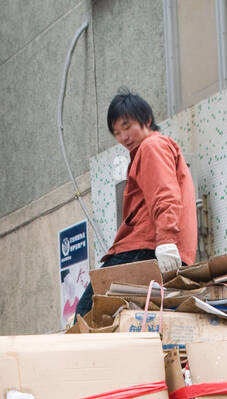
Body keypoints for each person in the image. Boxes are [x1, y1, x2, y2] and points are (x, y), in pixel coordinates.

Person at [74, 90, 197, 320]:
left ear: (146, 120)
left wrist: (166, 240)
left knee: (87, 311)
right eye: (117, 132)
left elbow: (165, 194)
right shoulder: (154, 148)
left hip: (144, 248)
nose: (123, 137)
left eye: (127, 126)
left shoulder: (151, 146)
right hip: (156, 248)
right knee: (132, 319)